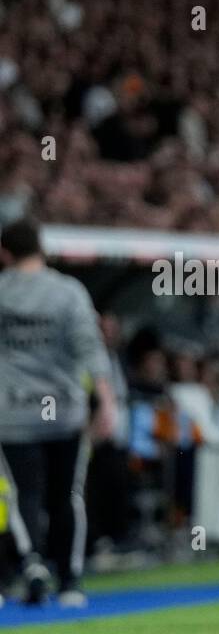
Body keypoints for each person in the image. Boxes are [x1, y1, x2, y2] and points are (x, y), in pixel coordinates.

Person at [0, 218, 117, 605]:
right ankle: (70, 581)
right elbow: (90, 347)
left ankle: (31, 565)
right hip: (64, 411)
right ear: (41, 249)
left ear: (5, 253)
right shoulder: (68, 292)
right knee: (68, 495)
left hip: (14, 411)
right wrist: (106, 399)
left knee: (22, 496)